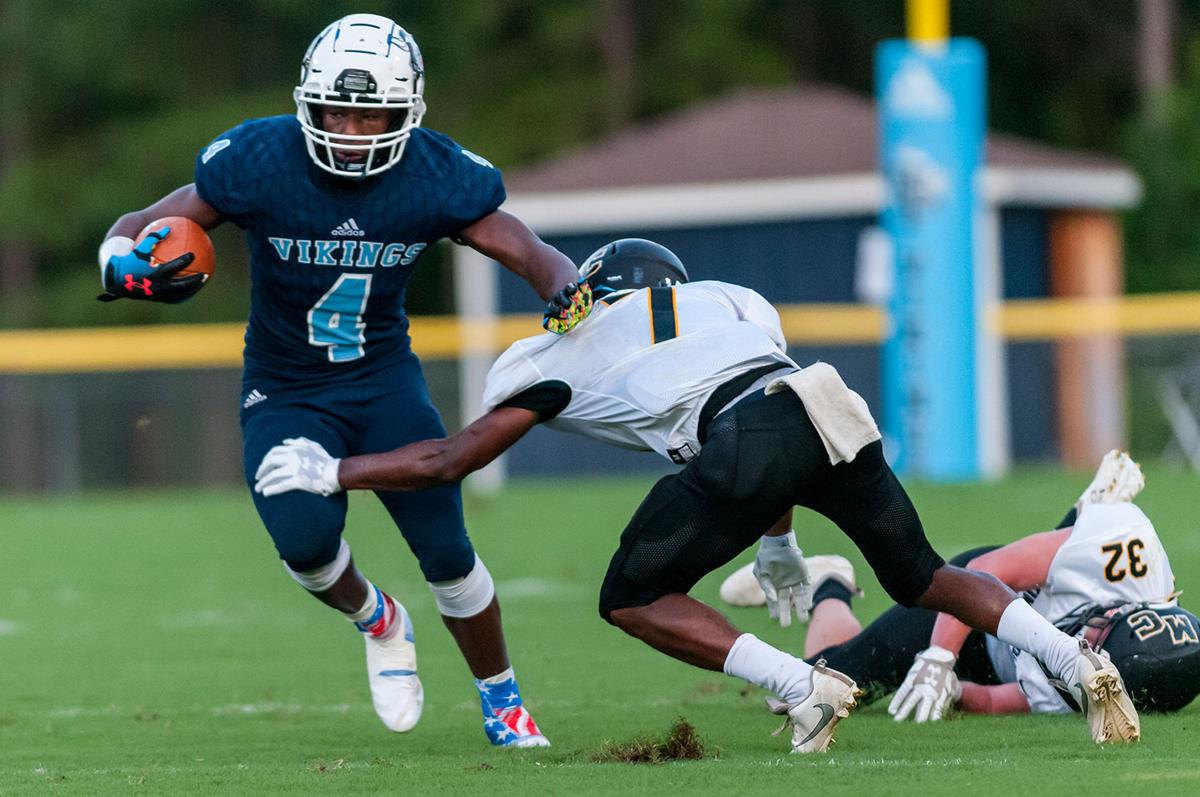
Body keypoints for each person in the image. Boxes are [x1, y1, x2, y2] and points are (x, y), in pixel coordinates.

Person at [253, 238, 1142, 752]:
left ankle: (803, 684)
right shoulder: (733, 301)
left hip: (744, 433)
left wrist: (337, 472)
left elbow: (451, 458)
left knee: (630, 596)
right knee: (921, 575)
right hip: (828, 402)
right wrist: (778, 543)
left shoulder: (561, 348)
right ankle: (1073, 658)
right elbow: (776, 404)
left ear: (593, 290)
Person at [96, 13, 594, 748]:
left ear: (406, 113)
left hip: (383, 380)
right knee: (302, 540)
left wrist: (560, 279)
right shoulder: (261, 159)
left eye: (372, 115)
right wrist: (117, 255)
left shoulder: (434, 171)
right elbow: (147, 219)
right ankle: (379, 618)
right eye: (338, 110)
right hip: (286, 384)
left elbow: (519, 242)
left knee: (448, 551)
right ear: (309, 103)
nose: (353, 130)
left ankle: (504, 699)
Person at [731, 452, 1198, 726]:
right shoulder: (1127, 557)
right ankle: (829, 585)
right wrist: (938, 657)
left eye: (1097, 653)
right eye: (1099, 635)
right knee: (822, 680)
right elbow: (987, 568)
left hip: (996, 660)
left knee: (833, 684)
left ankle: (828, 582)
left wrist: (955, 691)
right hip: (981, 597)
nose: (1086, 646)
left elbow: (1002, 699)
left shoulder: (1092, 689)